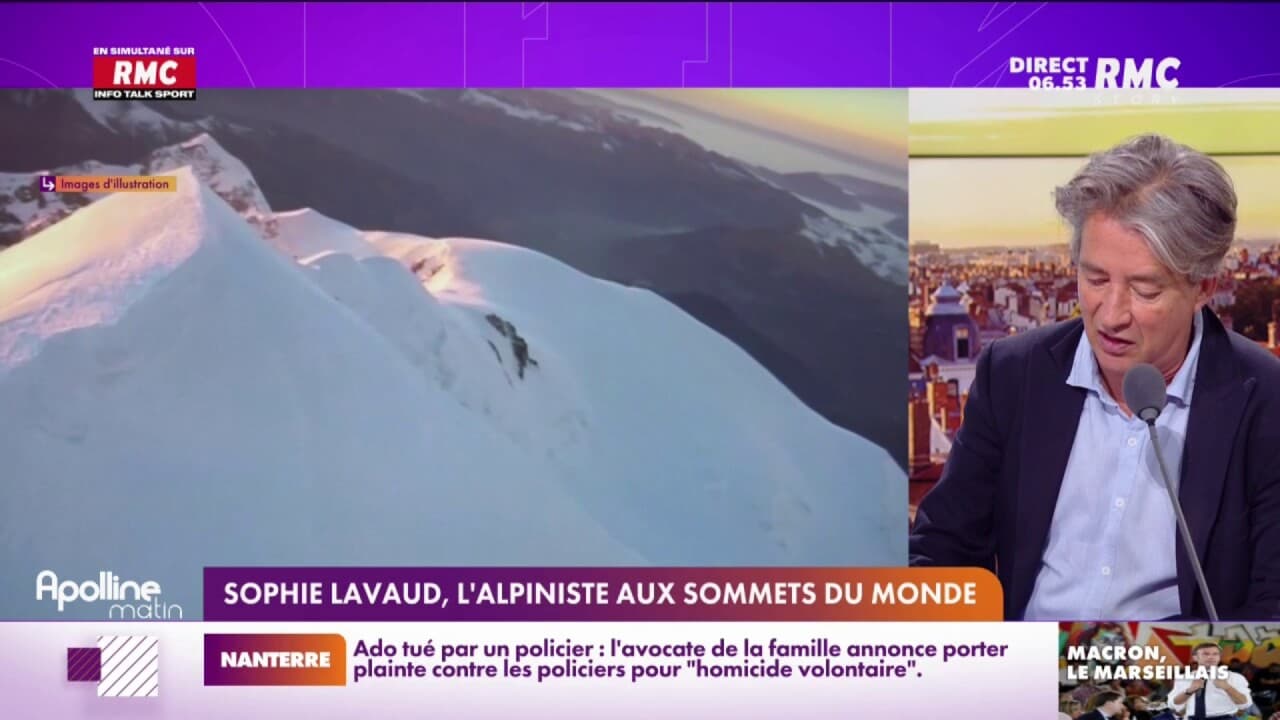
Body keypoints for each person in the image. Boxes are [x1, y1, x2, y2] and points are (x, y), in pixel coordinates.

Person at [909, 133, 1280, 620]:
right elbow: (943, 549)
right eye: (1095, 279)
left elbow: (1271, 609)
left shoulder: (1266, 402)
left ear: (1203, 286)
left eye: (1145, 289)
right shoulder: (1014, 374)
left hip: (1174, 679)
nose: (1110, 315)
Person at [1169, 642, 1252, 719]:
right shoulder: (1183, 678)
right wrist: (1189, 691)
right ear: (1195, 657)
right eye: (1206, 654)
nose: (1211, 657)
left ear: (1219, 657)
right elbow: (1174, 703)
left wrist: (1227, 688)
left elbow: (1245, 704)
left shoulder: (1234, 677)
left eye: (1215, 654)